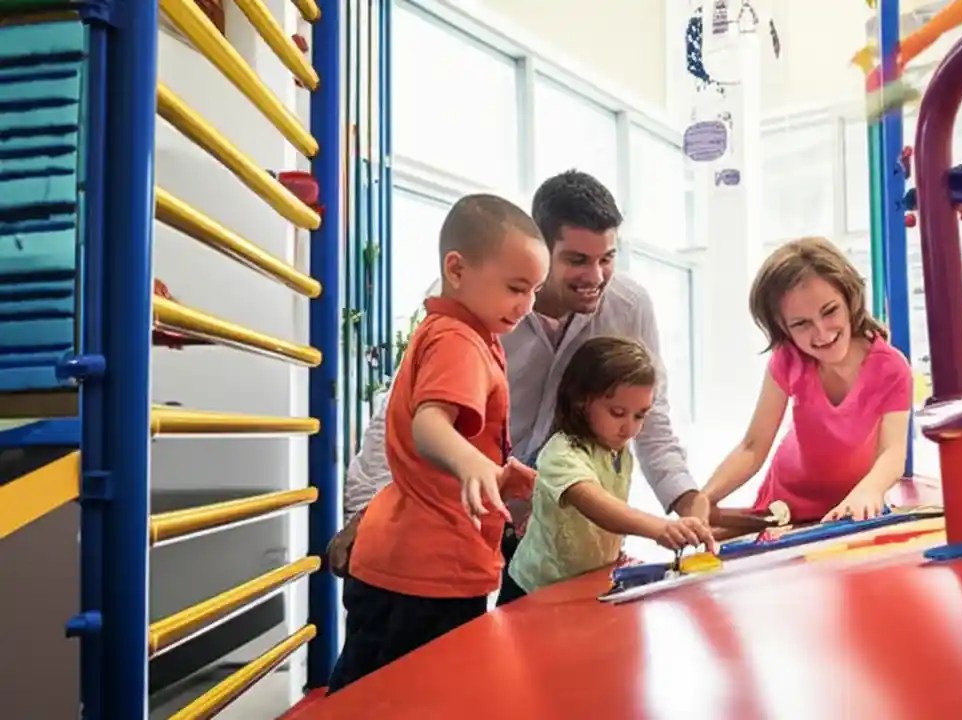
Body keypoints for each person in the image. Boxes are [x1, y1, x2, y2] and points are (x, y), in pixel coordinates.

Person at [331, 170, 711, 578]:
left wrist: (689, 501)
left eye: (607, 258)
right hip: (458, 512)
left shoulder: (628, 306)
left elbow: (651, 417)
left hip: (544, 520)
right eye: (577, 260)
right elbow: (404, 410)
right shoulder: (473, 302)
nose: (596, 277)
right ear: (541, 252)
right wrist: (364, 511)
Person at [326, 194, 547, 694]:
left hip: (407, 559)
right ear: (457, 268)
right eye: (516, 287)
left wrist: (499, 471)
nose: (527, 304)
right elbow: (430, 426)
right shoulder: (460, 341)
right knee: (411, 696)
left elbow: (450, 441)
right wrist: (470, 460)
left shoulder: (451, 330)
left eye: (534, 290)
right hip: (426, 570)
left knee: (371, 690)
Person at [701, 236, 913, 524]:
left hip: (849, 507)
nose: (822, 333)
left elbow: (892, 451)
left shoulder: (891, 368)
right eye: (801, 324)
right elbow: (753, 446)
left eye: (830, 311)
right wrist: (705, 498)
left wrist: (869, 491)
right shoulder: (788, 358)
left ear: (849, 299)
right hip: (781, 507)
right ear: (783, 329)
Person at [498, 337, 719, 605]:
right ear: (581, 401)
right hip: (535, 589)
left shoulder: (619, 450)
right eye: (617, 412)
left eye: (640, 416)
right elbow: (597, 505)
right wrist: (660, 528)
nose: (630, 428)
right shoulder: (561, 453)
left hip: (585, 583)